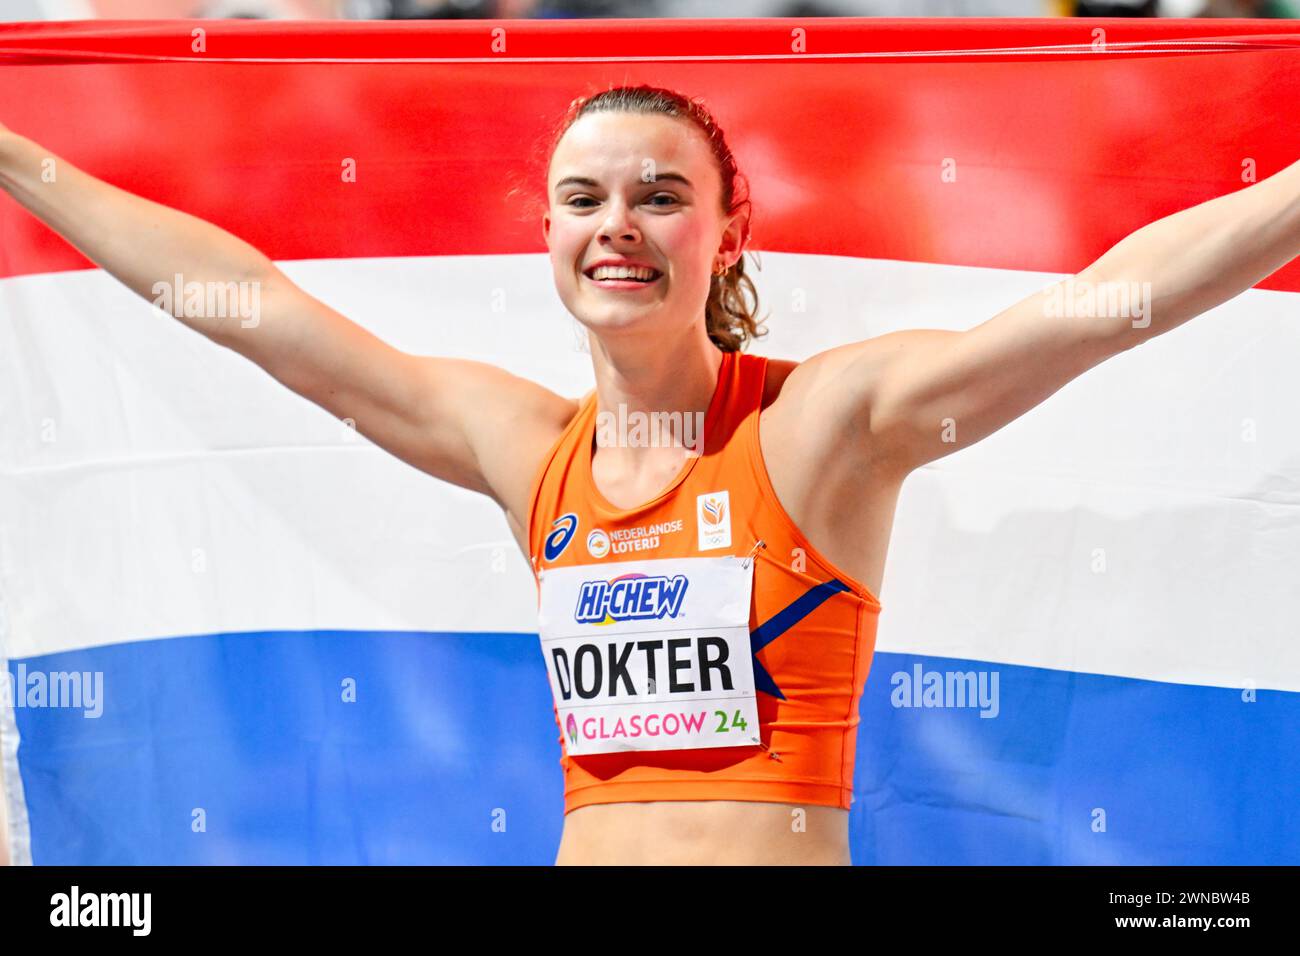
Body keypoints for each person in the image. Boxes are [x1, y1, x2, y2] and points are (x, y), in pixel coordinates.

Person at [2, 86, 1297, 866]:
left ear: (732, 229)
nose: (616, 223)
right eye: (584, 197)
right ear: (552, 232)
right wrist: (21, 160)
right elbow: (247, 307)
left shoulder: (824, 426)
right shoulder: (524, 446)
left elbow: (1101, 307)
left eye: (660, 194)